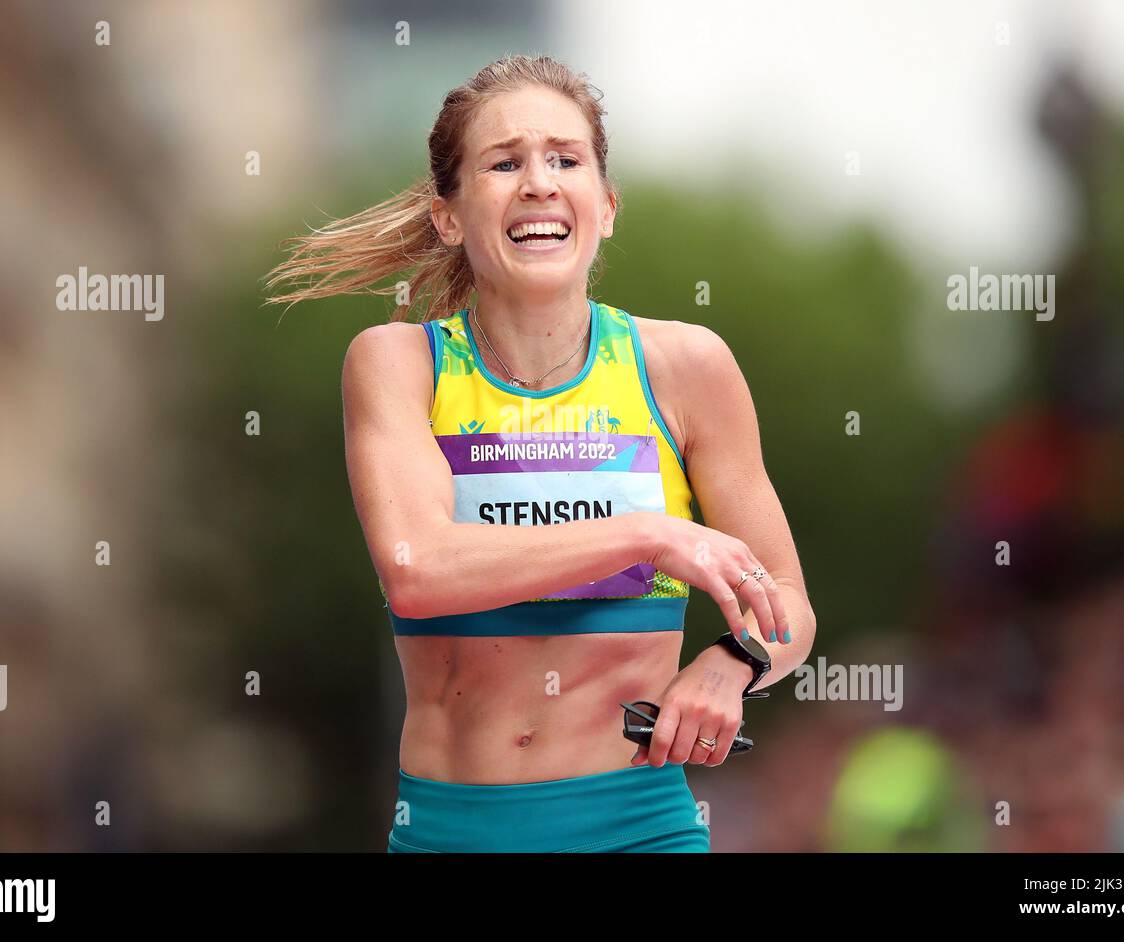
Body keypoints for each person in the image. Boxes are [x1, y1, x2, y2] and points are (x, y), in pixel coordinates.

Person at [264, 54, 816, 853]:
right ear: (449, 215)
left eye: (565, 159)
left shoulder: (688, 367)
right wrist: (650, 534)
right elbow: (418, 571)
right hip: (452, 830)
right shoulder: (397, 364)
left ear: (607, 204)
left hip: (642, 827)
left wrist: (733, 662)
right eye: (503, 162)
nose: (539, 183)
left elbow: (787, 600)